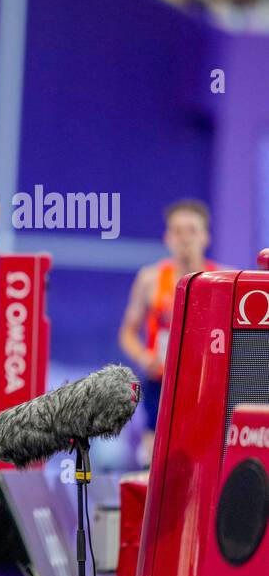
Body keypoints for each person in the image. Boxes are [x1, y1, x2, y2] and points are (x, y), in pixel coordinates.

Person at [117, 199, 218, 465]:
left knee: (201, 457)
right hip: (161, 382)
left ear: (205, 236)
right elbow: (128, 332)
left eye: (192, 231)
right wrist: (143, 357)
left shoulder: (223, 280)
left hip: (205, 384)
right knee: (156, 458)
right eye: (177, 231)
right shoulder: (150, 279)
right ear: (167, 237)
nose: (185, 239)